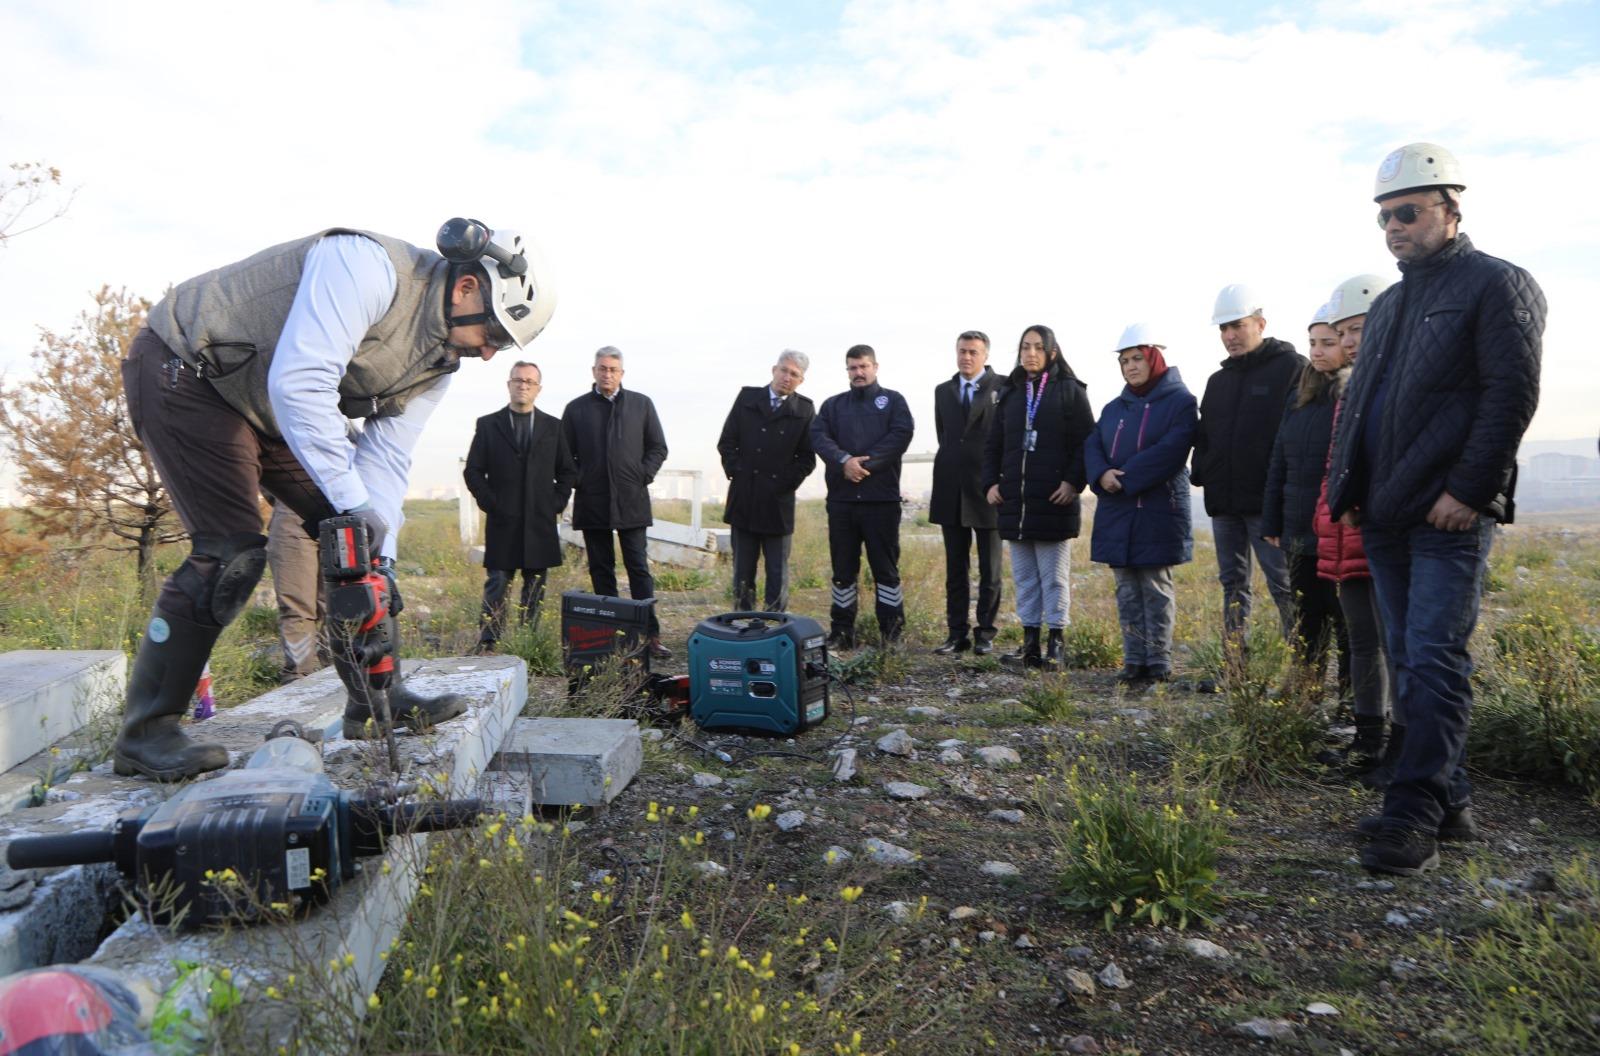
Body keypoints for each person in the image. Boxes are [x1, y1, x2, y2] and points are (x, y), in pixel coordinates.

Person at [116, 218, 554, 780]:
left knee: (358, 546)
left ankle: (375, 703)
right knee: (232, 554)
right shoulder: (365, 266)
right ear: (467, 287)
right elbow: (300, 383)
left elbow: (388, 460)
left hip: (267, 404)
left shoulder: (437, 365)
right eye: (492, 333)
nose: (491, 355)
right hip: (188, 370)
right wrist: (354, 507)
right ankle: (145, 733)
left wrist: (382, 555)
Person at [1326, 142, 1544, 875]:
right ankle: (1448, 800)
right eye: (1385, 216)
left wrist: (1469, 491)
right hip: (1385, 516)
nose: (1394, 227)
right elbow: (1361, 407)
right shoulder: (1388, 305)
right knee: (1409, 657)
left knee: (1435, 657)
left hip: (1448, 514)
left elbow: (1509, 396)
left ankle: (1411, 810)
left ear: (1451, 209)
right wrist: (1348, 495)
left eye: (1408, 212)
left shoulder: (1497, 285)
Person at [1191, 285, 1305, 672]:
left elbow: (1299, 434)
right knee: (1232, 584)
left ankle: (1302, 666)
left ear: (1260, 322)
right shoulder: (1217, 382)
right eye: (1223, 328)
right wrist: (1203, 471)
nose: (1229, 336)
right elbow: (1205, 435)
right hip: (1225, 504)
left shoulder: (1292, 368)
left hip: (1268, 505)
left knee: (1284, 584)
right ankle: (1235, 668)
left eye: (1237, 326)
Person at [1313, 274, 1396, 781]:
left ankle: (1398, 749)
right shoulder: (1347, 390)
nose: (1347, 342)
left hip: (1377, 530)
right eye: (1341, 331)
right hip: (1344, 532)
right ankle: (1369, 743)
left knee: (1392, 643)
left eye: (1357, 330)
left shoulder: (1393, 384)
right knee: (1362, 639)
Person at [1085, 323, 1197, 686]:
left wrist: (1124, 478)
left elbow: (1171, 451)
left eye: (1137, 359)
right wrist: (1101, 474)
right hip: (1118, 509)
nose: (1131, 366)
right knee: (1126, 587)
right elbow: (1092, 445)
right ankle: (1134, 659)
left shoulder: (1181, 402)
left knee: (1155, 585)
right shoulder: (1114, 408)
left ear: (1154, 358)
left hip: (1157, 508)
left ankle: (1158, 660)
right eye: (1124, 361)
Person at [983, 325, 1095, 669]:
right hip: (1015, 502)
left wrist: (1073, 482)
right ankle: (1029, 642)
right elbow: (993, 445)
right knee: (1026, 578)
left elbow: (1086, 442)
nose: (1030, 353)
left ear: (1051, 353)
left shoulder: (1069, 391)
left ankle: (1056, 643)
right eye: (1025, 347)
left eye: (1037, 347)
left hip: (1053, 500)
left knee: (1055, 577)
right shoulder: (1011, 392)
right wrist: (990, 483)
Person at [1261, 303, 1351, 698]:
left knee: (1348, 618)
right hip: (1300, 527)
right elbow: (1279, 459)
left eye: (1327, 343)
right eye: (1313, 343)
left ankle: (1353, 694)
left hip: (1339, 528)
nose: (1317, 352)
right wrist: (1272, 521)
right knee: (1306, 615)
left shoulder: (1353, 397)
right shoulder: (1300, 396)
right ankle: (1304, 687)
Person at [561, 347, 672, 658]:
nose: (607, 374)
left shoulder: (641, 404)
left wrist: (642, 474)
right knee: (601, 569)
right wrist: (580, 479)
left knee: (638, 567)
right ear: (593, 371)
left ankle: (649, 637)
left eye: (613, 369)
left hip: (631, 499)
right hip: (593, 500)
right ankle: (611, 636)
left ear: (622, 373)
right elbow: (564, 454)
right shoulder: (576, 409)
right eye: (602, 368)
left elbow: (658, 447)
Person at [463, 360, 576, 653]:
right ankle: (489, 640)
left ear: (538, 388)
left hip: (539, 520)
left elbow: (567, 471)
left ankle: (528, 640)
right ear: (509, 384)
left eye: (529, 381)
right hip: (504, 518)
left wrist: (556, 502)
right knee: (498, 581)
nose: (523, 385)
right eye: (518, 380)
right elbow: (473, 471)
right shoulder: (489, 425)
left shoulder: (553, 426)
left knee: (535, 584)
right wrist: (490, 502)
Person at [810, 345, 915, 649]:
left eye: (863, 367)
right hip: (842, 502)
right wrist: (843, 461)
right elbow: (818, 437)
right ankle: (842, 632)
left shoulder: (894, 401)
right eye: (852, 368)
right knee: (843, 570)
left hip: (881, 501)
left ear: (875, 367)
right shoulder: (832, 406)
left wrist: (863, 466)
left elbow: (900, 435)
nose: (858, 373)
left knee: (886, 569)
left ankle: (892, 633)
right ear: (847, 371)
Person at [716, 350, 817, 612]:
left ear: (801, 381)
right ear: (774, 369)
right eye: (784, 370)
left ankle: (775, 627)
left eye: (794, 374)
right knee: (742, 572)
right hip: (744, 496)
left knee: (777, 572)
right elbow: (727, 442)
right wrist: (737, 472)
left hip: (777, 503)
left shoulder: (804, 410)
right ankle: (742, 624)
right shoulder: (748, 398)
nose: (787, 377)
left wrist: (784, 484)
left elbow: (807, 458)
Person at [929, 331, 1005, 655]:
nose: (966, 357)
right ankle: (956, 633)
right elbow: (944, 435)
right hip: (951, 488)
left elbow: (1005, 438)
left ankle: (985, 633)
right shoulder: (943, 391)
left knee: (991, 569)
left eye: (973, 352)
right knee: (955, 569)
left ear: (985, 355)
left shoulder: (1003, 388)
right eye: (962, 351)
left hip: (989, 490)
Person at [265, 499, 327, 681]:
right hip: (292, 508)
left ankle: (340, 672)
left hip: (347, 508)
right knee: (296, 605)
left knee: (341, 604)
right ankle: (298, 677)